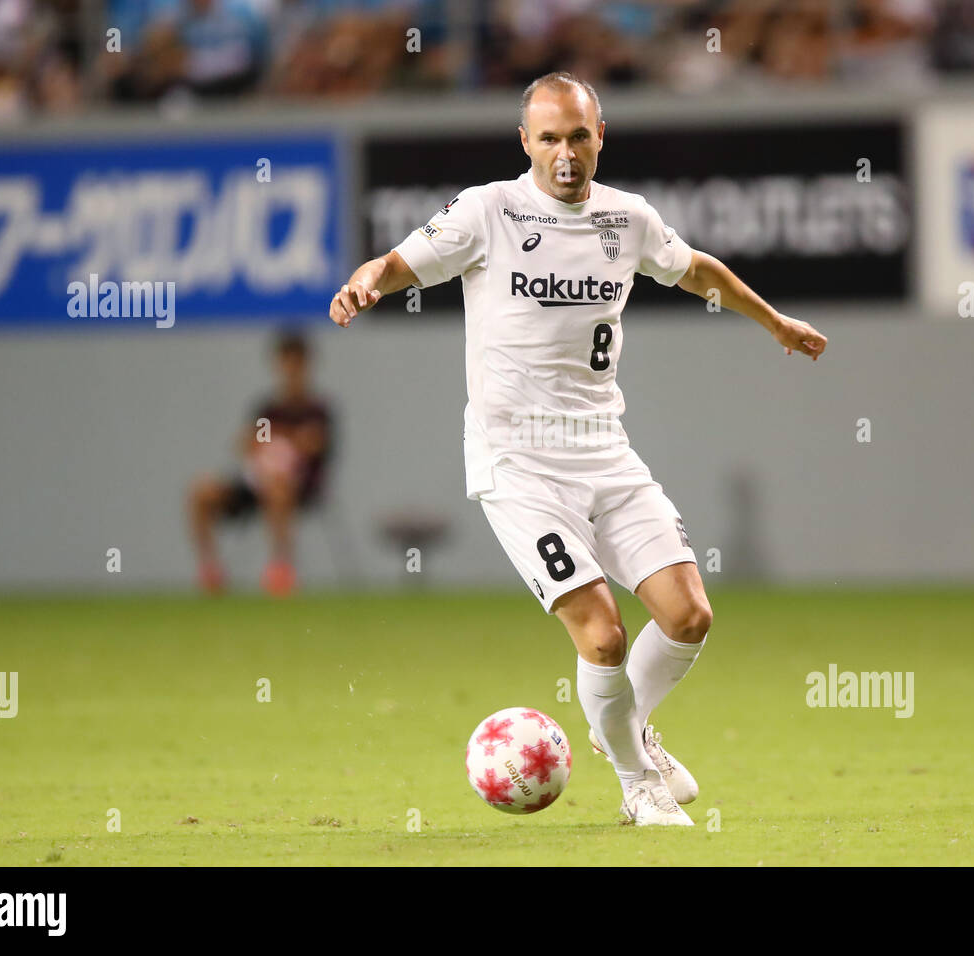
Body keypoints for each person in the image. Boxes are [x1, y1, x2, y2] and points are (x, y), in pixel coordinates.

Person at [328, 72, 826, 825]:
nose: (566, 153)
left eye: (579, 136)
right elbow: (398, 263)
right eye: (551, 138)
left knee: (689, 614)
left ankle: (618, 726)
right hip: (519, 464)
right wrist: (365, 283)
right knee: (601, 631)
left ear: (601, 138)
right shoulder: (487, 210)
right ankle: (638, 782)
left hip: (605, 452)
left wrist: (774, 321)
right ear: (525, 141)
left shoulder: (626, 219)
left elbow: (696, 270)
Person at [188, 330, 333, 596]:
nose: (291, 370)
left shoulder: (318, 409)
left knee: (278, 488)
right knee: (201, 490)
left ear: (307, 364)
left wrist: (280, 438)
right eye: (285, 362)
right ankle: (211, 573)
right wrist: (270, 442)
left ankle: (281, 571)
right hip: (257, 482)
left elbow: (315, 443)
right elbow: (248, 444)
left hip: (299, 487)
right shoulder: (267, 408)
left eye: (297, 363)